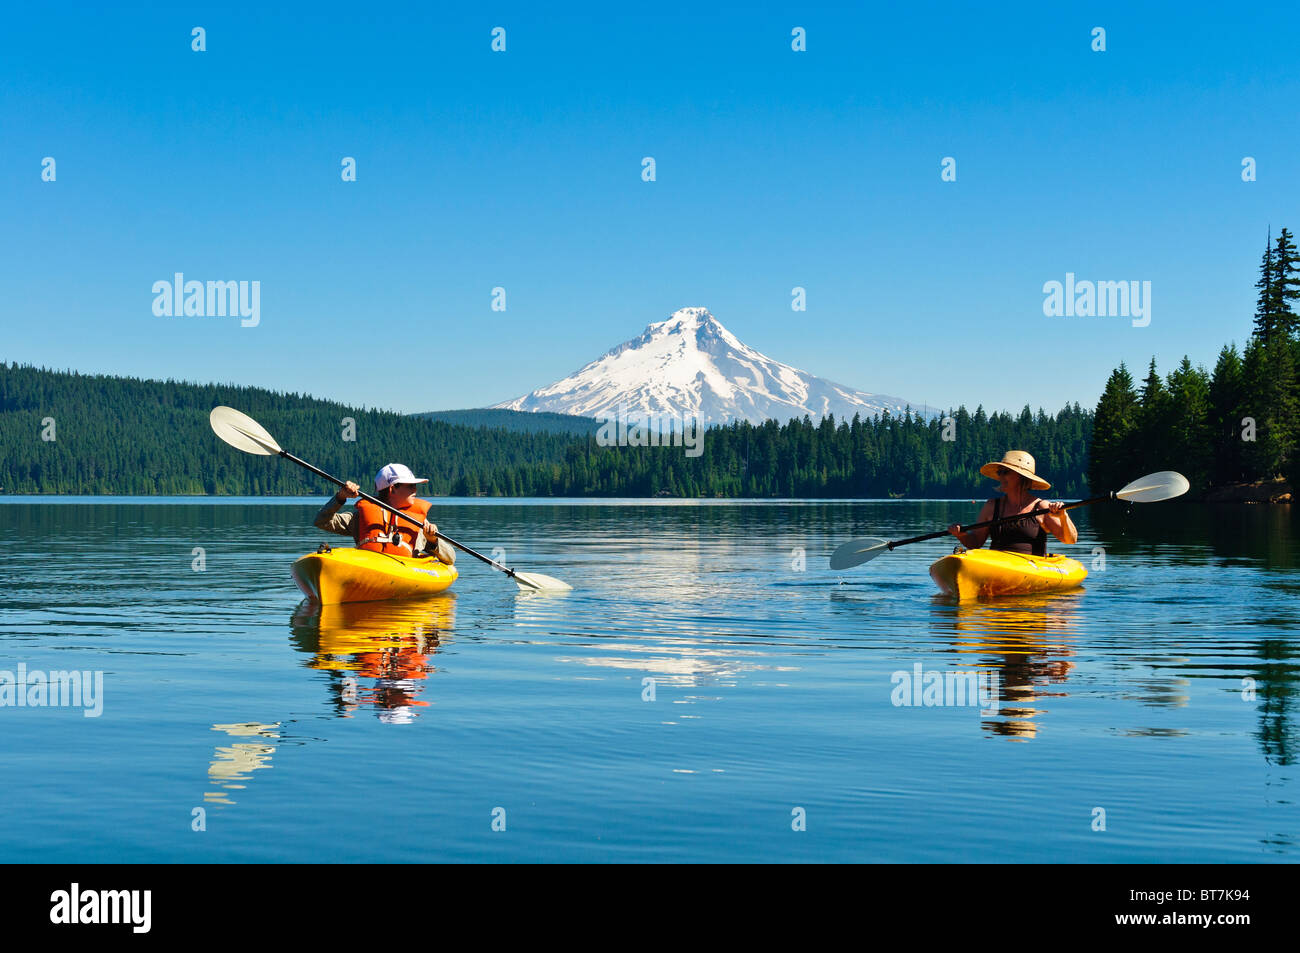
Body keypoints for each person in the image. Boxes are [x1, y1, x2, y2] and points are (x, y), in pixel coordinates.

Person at [313, 463, 455, 564]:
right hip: (368, 570)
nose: (415, 490)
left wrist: (432, 540)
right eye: (410, 486)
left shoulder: (420, 525)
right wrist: (340, 497)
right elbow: (321, 521)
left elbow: (450, 558)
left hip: (404, 573)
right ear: (392, 489)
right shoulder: (359, 518)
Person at [947, 451, 1077, 555]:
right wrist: (961, 534)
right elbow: (976, 542)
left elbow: (1070, 540)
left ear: (1021, 477)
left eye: (1005, 472)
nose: (1000, 477)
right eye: (999, 472)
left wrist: (1063, 516)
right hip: (998, 567)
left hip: (1031, 570)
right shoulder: (991, 506)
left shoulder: (1041, 507)